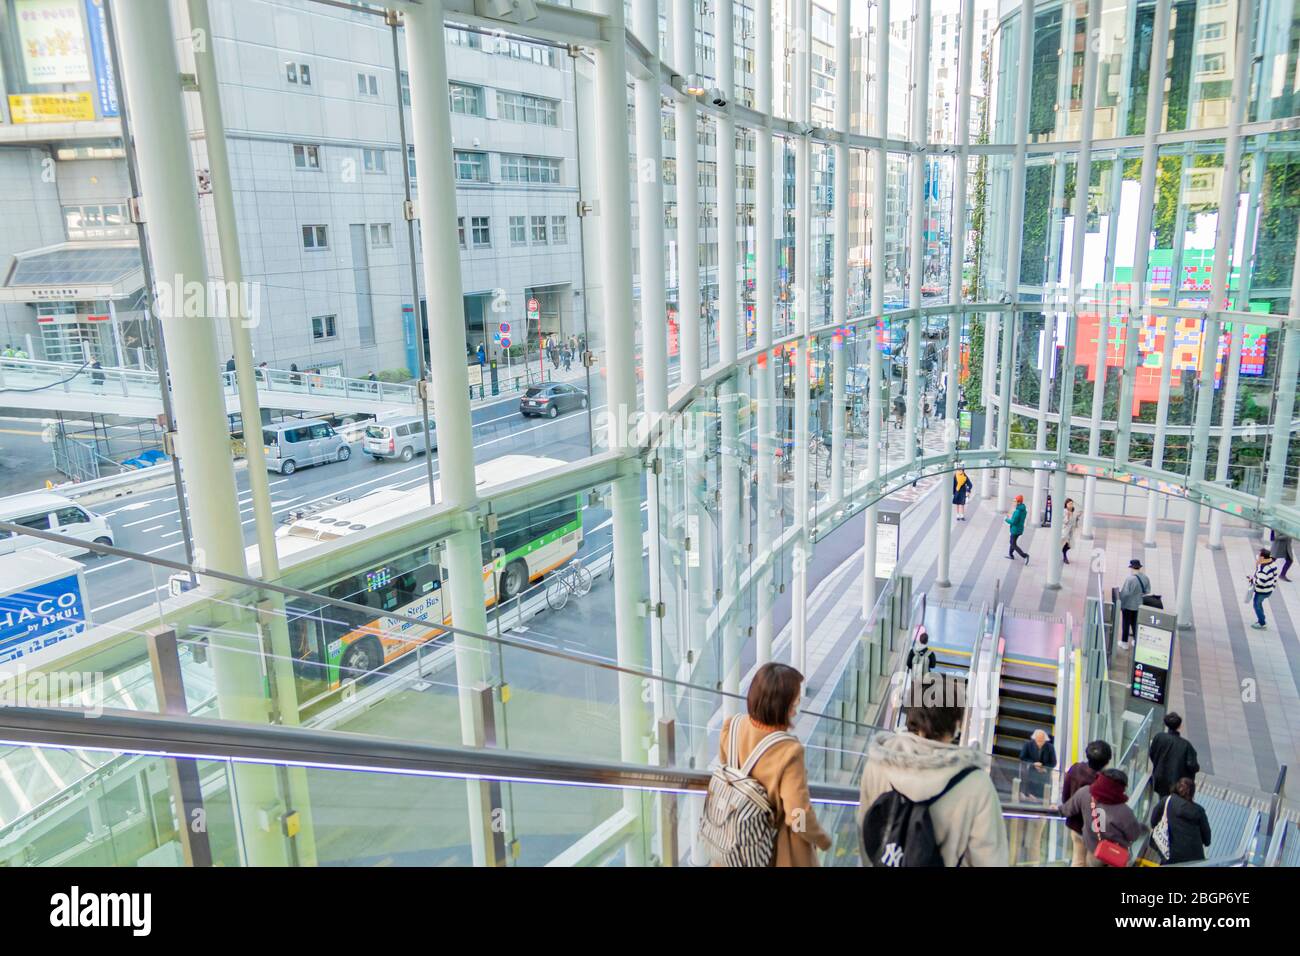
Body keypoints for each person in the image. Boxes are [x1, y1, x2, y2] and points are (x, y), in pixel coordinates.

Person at [857, 673, 1009, 866]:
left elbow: (865, 831)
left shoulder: (878, 764)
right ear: (956, 725)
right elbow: (989, 859)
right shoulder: (976, 785)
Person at [715, 662, 831, 866]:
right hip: (769, 849)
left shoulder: (731, 728)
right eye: (793, 705)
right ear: (781, 707)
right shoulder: (788, 752)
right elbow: (797, 817)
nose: (795, 712)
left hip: (732, 842)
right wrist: (822, 839)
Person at [1059, 768, 1143, 867]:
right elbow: (1134, 835)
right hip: (1116, 853)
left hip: (1094, 850)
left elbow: (1066, 810)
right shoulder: (1125, 811)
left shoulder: (1085, 793)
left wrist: (1054, 810)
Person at [1060, 740, 1113, 867]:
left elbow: (1065, 797)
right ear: (1106, 762)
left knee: (1078, 860)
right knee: (1094, 863)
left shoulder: (1075, 769)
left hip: (1076, 826)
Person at [1150, 777, 1211, 865]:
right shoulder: (1199, 811)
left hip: (1170, 855)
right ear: (1192, 793)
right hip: (1194, 859)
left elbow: (1153, 821)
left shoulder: (1168, 800)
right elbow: (1207, 840)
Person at [1148, 712, 1200, 798]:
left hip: (1159, 778)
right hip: (1176, 783)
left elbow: (1152, 753)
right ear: (1179, 726)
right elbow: (1192, 765)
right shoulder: (1185, 745)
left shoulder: (1159, 737)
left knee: (1162, 799)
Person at [1117, 558, 1151, 647]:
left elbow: (1125, 593)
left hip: (1128, 605)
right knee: (1135, 623)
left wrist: (1120, 602)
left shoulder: (1130, 579)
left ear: (1132, 568)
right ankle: (1136, 641)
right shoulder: (1145, 578)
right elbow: (1147, 591)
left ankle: (1124, 643)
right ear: (1139, 567)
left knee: (1126, 623)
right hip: (1138, 605)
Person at [1017, 728, 1056, 802]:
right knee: (1030, 792)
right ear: (1034, 739)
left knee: (1042, 795)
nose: (1040, 743)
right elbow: (1022, 757)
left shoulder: (1050, 747)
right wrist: (1033, 763)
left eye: (1042, 741)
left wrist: (1045, 768)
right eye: (1038, 740)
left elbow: (1053, 762)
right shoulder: (1028, 745)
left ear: (1045, 740)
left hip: (1044, 776)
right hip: (1031, 774)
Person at [1247, 548, 1280, 630]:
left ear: (1262, 558)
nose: (1257, 557)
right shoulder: (1273, 563)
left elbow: (1260, 582)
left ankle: (1262, 623)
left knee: (1256, 605)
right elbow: (1275, 576)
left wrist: (1252, 579)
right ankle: (1262, 619)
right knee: (1259, 603)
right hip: (1269, 589)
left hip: (1262, 591)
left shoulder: (1263, 568)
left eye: (1259, 556)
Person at [1006, 494, 1029, 563]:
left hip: (1015, 530)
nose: (1014, 503)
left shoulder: (1018, 511)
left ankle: (1024, 555)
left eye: (1015, 501)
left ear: (1019, 502)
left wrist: (1006, 519)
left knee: (1013, 543)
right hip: (1019, 529)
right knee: (1012, 542)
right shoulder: (1023, 510)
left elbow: (1013, 522)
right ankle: (1010, 554)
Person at [1060, 497, 1078, 565]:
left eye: (1072, 504)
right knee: (1065, 543)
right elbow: (1065, 522)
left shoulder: (1072, 511)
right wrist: (1067, 516)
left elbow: (1073, 522)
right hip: (1064, 531)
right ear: (1066, 504)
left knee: (1069, 545)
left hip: (1070, 531)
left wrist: (1076, 518)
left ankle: (1063, 554)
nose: (1071, 505)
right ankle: (1064, 557)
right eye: (1070, 504)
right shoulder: (1064, 511)